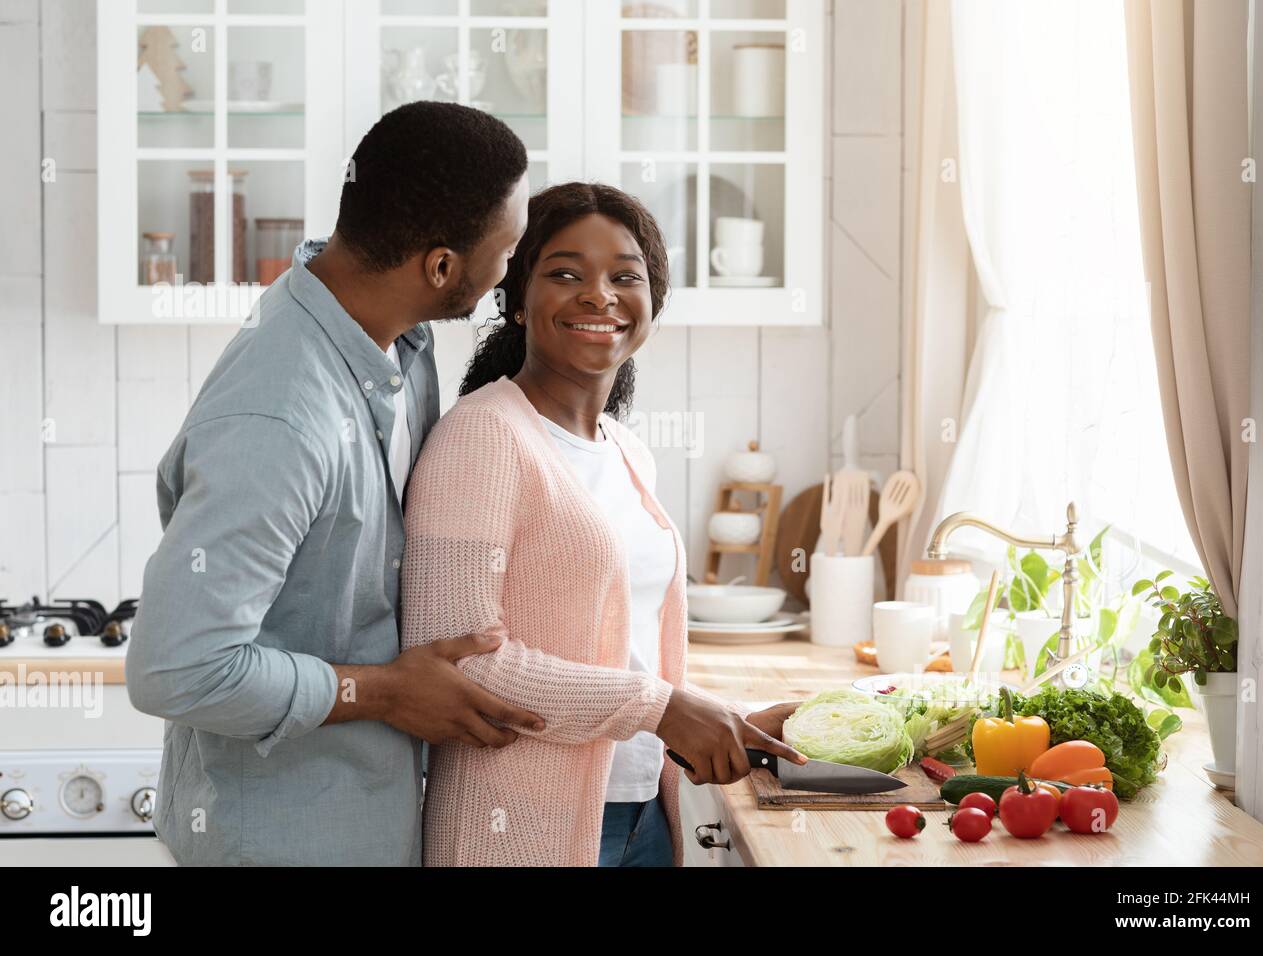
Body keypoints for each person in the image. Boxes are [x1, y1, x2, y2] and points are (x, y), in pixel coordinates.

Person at [126, 103, 539, 866]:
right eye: (507, 250)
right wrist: (385, 692)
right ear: (442, 267)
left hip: (370, 820)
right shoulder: (280, 420)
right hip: (278, 841)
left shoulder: (396, 338)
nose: (510, 269)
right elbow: (175, 671)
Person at [401, 182, 805, 867]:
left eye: (626, 276)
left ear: (653, 303)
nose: (599, 295)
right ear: (517, 300)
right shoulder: (482, 437)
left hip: (642, 812)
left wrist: (724, 714)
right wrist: (663, 708)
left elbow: (621, 657)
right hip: (517, 827)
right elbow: (461, 664)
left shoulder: (625, 450)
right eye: (565, 273)